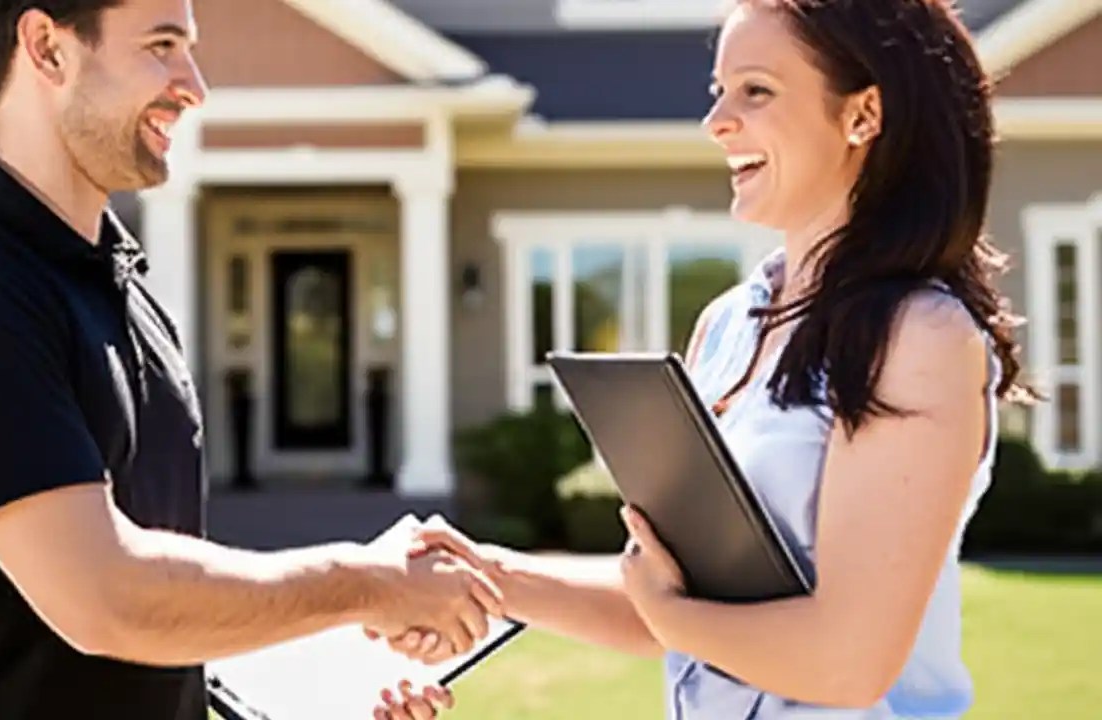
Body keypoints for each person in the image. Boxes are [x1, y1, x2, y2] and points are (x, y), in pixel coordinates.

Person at [370, 0, 1035, 718]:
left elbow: (847, 665)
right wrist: (482, 575)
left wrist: (667, 612)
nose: (717, 122)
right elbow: (680, 605)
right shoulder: (729, 325)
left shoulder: (918, 337)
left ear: (862, 114)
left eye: (756, 90)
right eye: (719, 91)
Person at [0, 1, 502, 718]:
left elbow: (159, 622)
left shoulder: (117, 289)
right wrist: (369, 585)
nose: (194, 85)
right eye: (161, 46)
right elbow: (105, 598)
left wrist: (327, 681)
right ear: (47, 48)